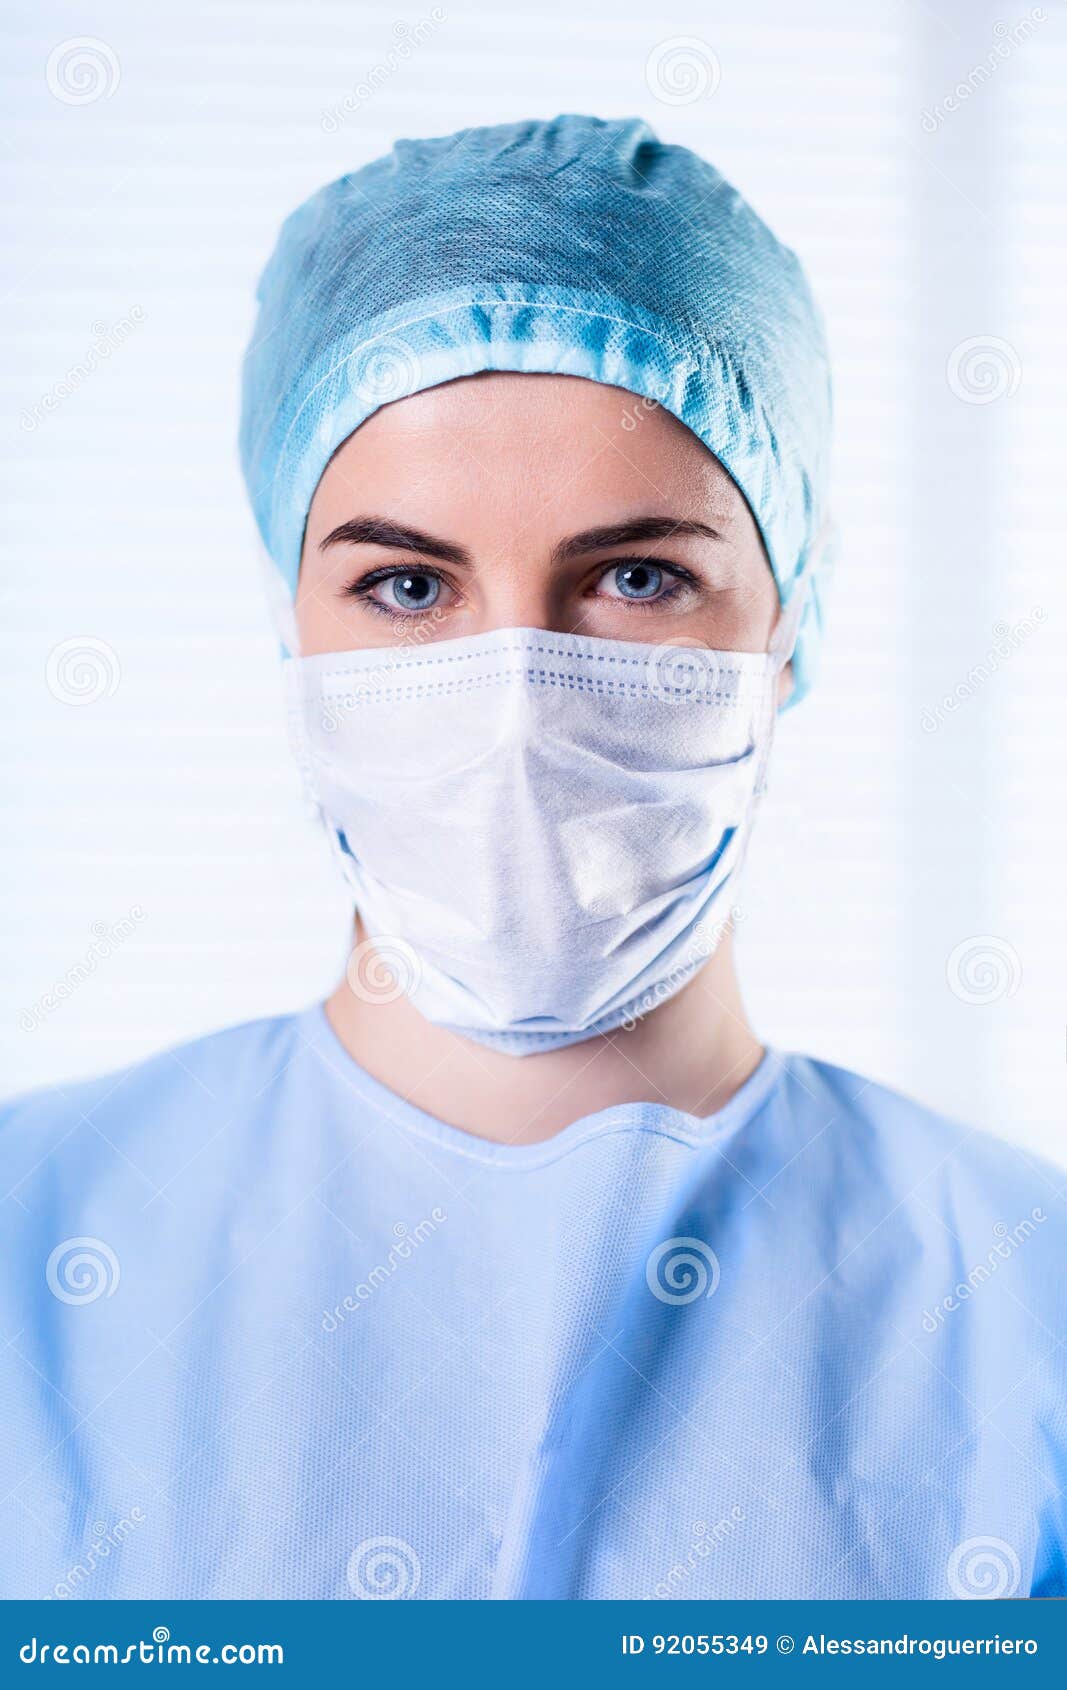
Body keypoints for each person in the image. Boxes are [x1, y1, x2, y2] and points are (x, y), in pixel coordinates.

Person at [1, 115, 1064, 1602]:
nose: (516, 696)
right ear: (291, 626)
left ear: (788, 622)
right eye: (407, 582)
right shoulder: (34, 1255)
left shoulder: (1026, 1308)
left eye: (637, 576)